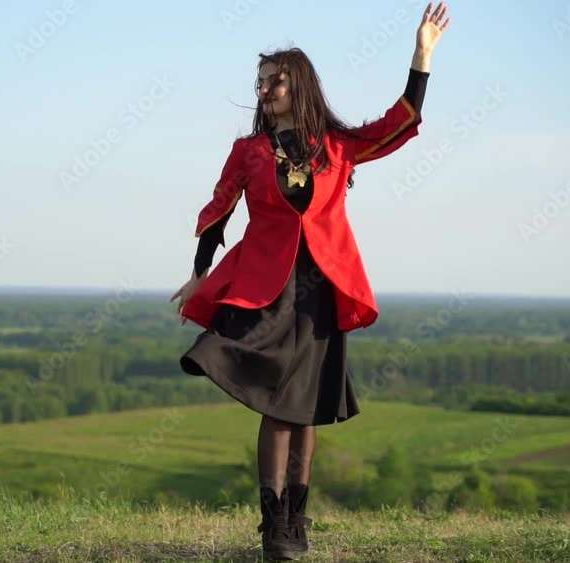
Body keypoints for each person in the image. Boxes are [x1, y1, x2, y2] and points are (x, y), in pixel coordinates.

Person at [170, 3, 451, 560]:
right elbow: (218, 210)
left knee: (306, 406)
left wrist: (422, 55)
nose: (267, 88)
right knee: (280, 403)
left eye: (277, 80)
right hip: (265, 291)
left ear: (299, 86)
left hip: (320, 290)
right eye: (262, 81)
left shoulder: (338, 147)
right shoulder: (249, 152)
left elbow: (399, 124)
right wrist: (200, 272)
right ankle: (273, 521)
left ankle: (295, 522)